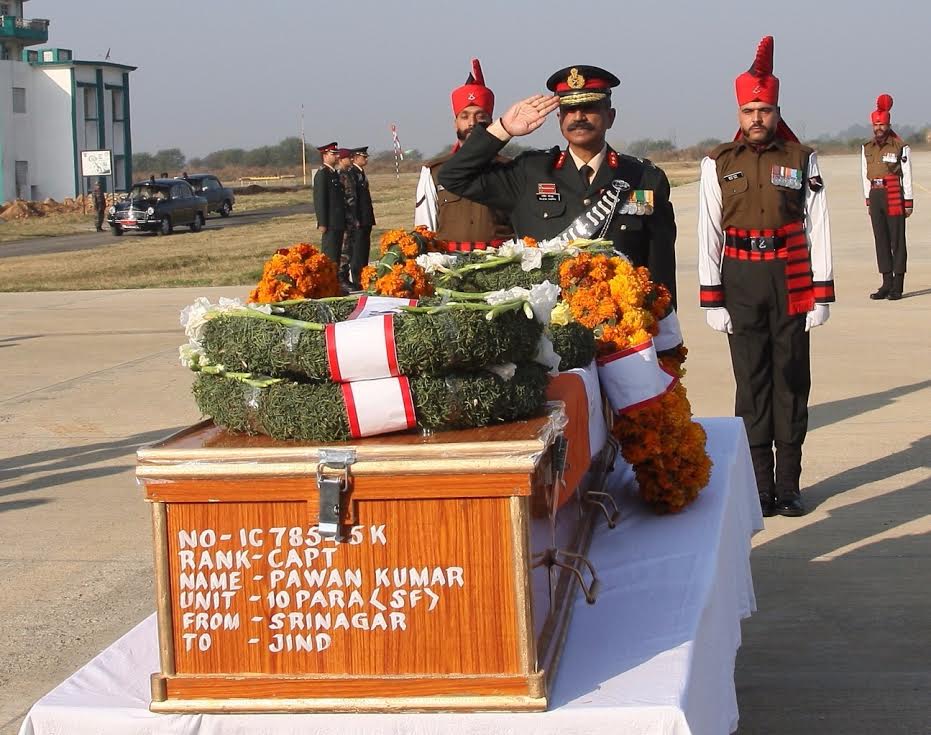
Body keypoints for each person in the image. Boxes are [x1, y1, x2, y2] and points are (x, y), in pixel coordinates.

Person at [697, 36, 835, 517]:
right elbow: (709, 230)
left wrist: (823, 292)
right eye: (750, 109)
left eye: (766, 109)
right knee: (750, 384)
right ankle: (758, 489)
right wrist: (711, 298)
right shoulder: (718, 163)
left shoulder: (801, 159)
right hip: (740, 279)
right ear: (739, 113)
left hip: (790, 275)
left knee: (791, 380)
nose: (757, 117)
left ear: (777, 112)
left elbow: (818, 226)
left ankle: (790, 485)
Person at [437, 64, 678, 304]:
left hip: (620, 329)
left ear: (610, 117)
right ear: (559, 117)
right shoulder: (530, 172)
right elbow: (454, 177)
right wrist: (503, 129)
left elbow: (661, 269)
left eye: (589, 107)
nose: (578, 117)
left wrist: (666, 335)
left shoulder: (644, 178)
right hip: (548, 330)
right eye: (569, 109)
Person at [414, 58, 514, 252]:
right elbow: (424, 229)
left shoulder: (510, 169)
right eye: (465, 116)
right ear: (455, 123)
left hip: (501, 264)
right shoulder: (433, 172)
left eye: (480, 116)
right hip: (450, 267)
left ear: (491, 122)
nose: (472, 123)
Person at [861, 95, 913, 300]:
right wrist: (867, 199)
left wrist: (908, 201)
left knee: (897, 240)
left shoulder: (900, 146)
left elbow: (907, 174)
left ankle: (898, 286)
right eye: (876, 124)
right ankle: (886, 283)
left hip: (893, 192)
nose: (878, 128)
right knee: (880, 240)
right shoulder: (866, 148)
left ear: (888, 124)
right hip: (875, 194)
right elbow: (864, 174)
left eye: (882, 124)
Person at [312, 142, 346, 264]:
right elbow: (320, 200)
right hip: (330, 223)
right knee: (330, 256)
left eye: (337, 154)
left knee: (336, 256)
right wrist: (322, 222)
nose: (337, 156)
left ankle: (336, 282)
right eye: (334, 154)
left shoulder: (334, 173)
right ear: (325, 155)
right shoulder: (322, 174)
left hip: (338, 221)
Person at [349, 146, 375, 286]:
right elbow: (354, 199)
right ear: (355, 158)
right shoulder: (352, 173)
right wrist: (355, 218)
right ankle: (357, 277)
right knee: (357, 250)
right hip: (358, 218)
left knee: (365, 248)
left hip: (366, 217)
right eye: (363, 157)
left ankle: (364, 276)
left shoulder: (361, 172)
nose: (366, 159)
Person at [336, 148, 358, 289]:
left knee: (349, 248)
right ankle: (341, 278)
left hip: (351, 216)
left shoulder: (349, 174)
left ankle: (346, 276)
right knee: (344, 249)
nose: (351, 160)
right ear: (341, 159)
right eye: (348, 158)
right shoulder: (339, 175)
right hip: (344, 217)